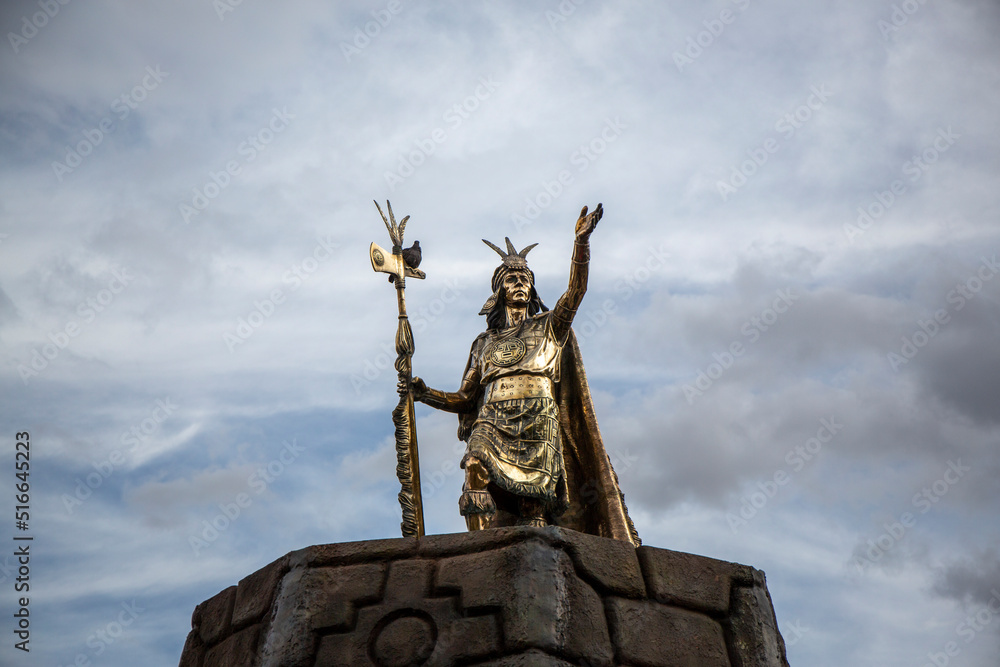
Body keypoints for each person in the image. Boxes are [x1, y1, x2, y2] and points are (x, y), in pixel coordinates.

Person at [411, 204, 639, 544]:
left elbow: (576, 293)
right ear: (499, 289)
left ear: (531, 289)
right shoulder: (483, 343)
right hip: (493, 418)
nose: (519, 284)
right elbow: (465, 398)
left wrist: (581, 244)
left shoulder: (550, 326)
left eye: (524, 279)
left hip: (538, 418)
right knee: (474, 464)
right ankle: (477, 548)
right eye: (511, 279)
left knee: (534, 510)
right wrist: (424, 392)